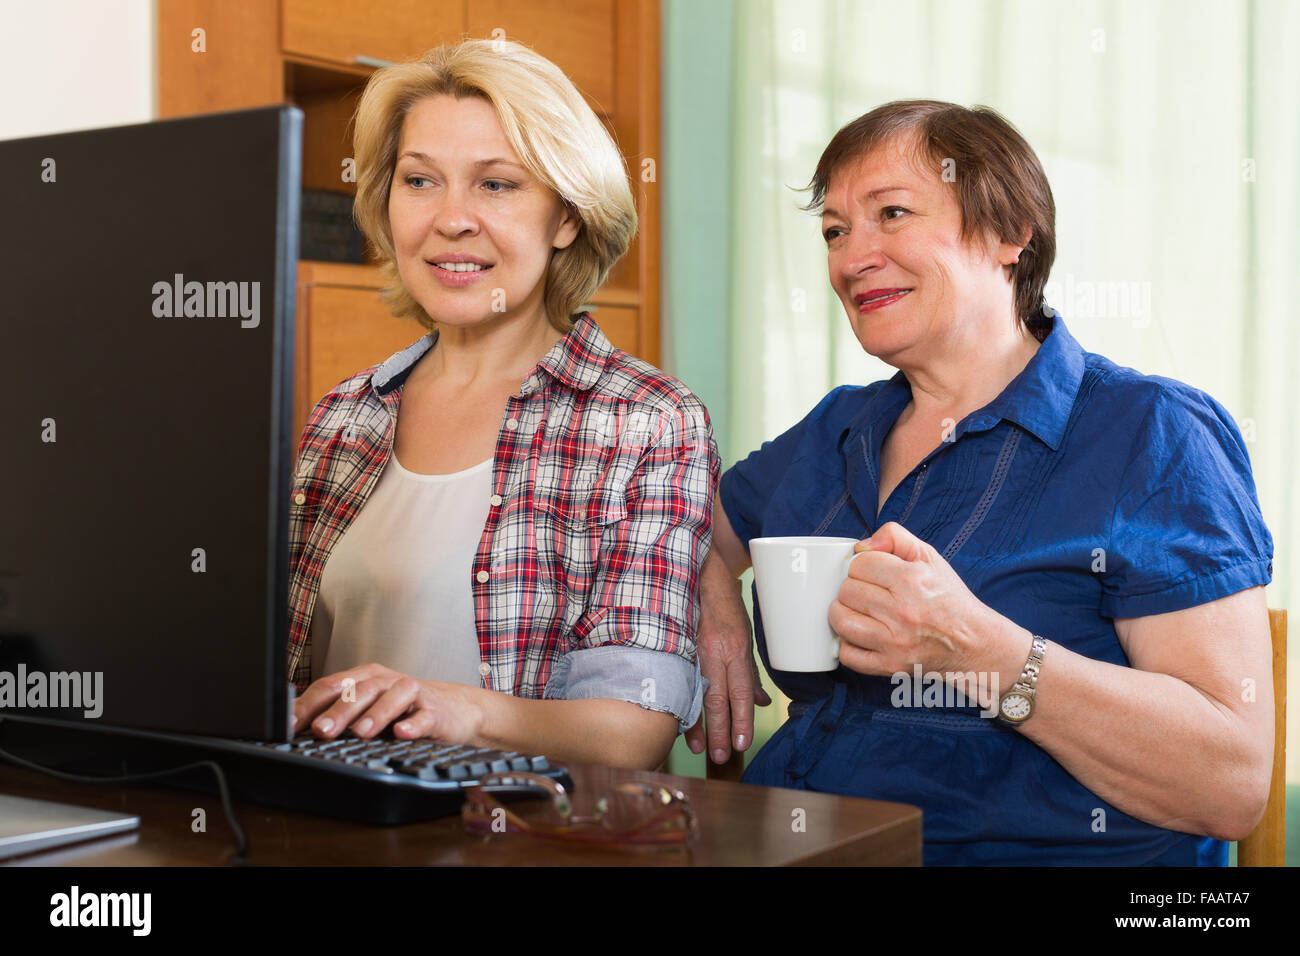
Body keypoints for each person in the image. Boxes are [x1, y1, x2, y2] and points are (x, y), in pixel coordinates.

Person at [692, 99, 1275, 864]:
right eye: (835, 230)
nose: (851, 257)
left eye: (890, 214)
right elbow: (684, 521)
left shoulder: (1150, 431)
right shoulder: (838, 428)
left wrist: (976, 650)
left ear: (1010, 234)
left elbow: (1229, 782)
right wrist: (714, 602)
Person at [286, 39, 720, 772]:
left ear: (566, 218)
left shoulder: (648, 421)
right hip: (324, 828)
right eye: (420, 180)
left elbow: (631, 732)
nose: (451, 219)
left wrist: (451, 709)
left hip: (522, 839)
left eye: (497, 185)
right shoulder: (341, 416)